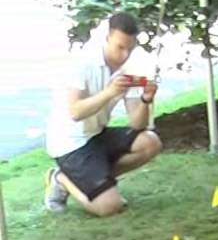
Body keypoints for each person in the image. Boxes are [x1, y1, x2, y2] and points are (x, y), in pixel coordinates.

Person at [43, 12, 163, 216]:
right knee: (109, 207)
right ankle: (61, 179)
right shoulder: (83, 62)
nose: (124, 55)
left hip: (96, 134)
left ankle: (98, 183)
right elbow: (75, 112)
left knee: (150, 142)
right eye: (120, 47)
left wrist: (146, 99)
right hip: (70, 143)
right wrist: (110, 92)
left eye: (130, 48)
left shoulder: (130, 69)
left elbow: (137, 124)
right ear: (107, 38)